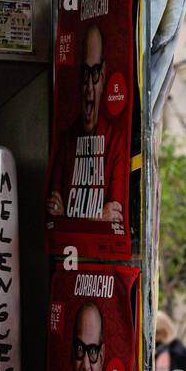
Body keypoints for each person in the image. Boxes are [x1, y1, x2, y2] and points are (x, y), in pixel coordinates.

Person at [45, 22, 129, 226]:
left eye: (95, 72)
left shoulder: (116, 140)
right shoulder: (66, 141)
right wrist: (97, 216)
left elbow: (115, 214)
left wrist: (69, 215)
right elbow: (52, 212)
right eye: (84, 74)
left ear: (104, 75)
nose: (89, 88)